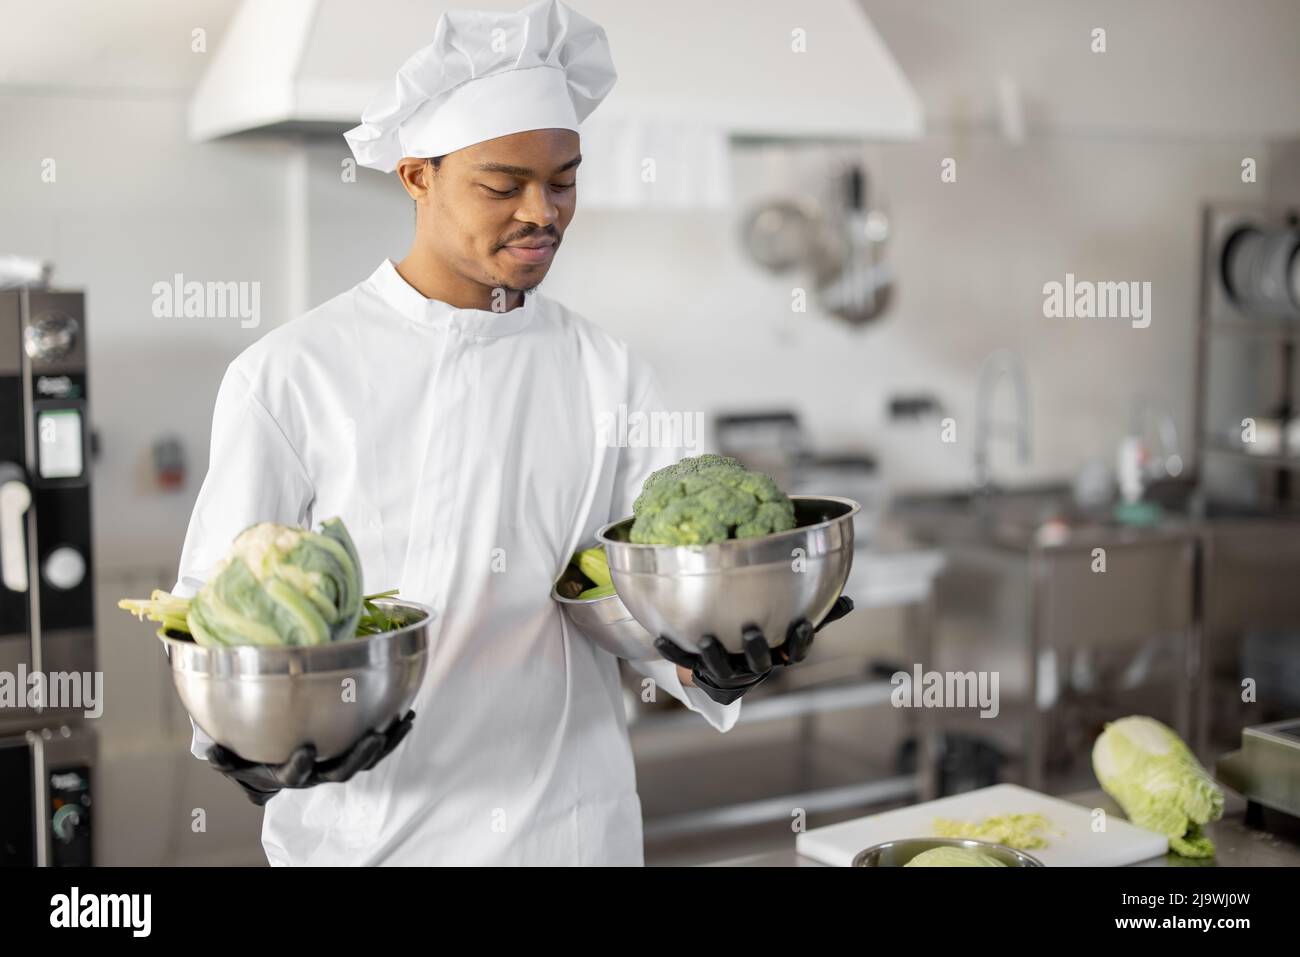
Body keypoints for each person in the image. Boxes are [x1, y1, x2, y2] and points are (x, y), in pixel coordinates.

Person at [174, 0, 849, 865]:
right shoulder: (291, 375)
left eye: (563, 179)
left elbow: (647, 603)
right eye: (503, 184)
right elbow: (208, 614)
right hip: (370, 839)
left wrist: (717, 654)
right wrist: (248, 750)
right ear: (417, 175)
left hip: (570, 831)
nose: (544, 212)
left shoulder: (611, 373)